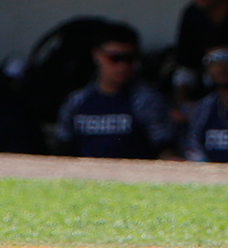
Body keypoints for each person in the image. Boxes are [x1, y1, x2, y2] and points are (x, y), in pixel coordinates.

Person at [54, 25, 176, 159]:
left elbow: (162, 146)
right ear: (96, 55)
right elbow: (63, 148)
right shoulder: (76, 101)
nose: (122, 66)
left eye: (129, 59)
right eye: (114, 58)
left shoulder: (147, 101)